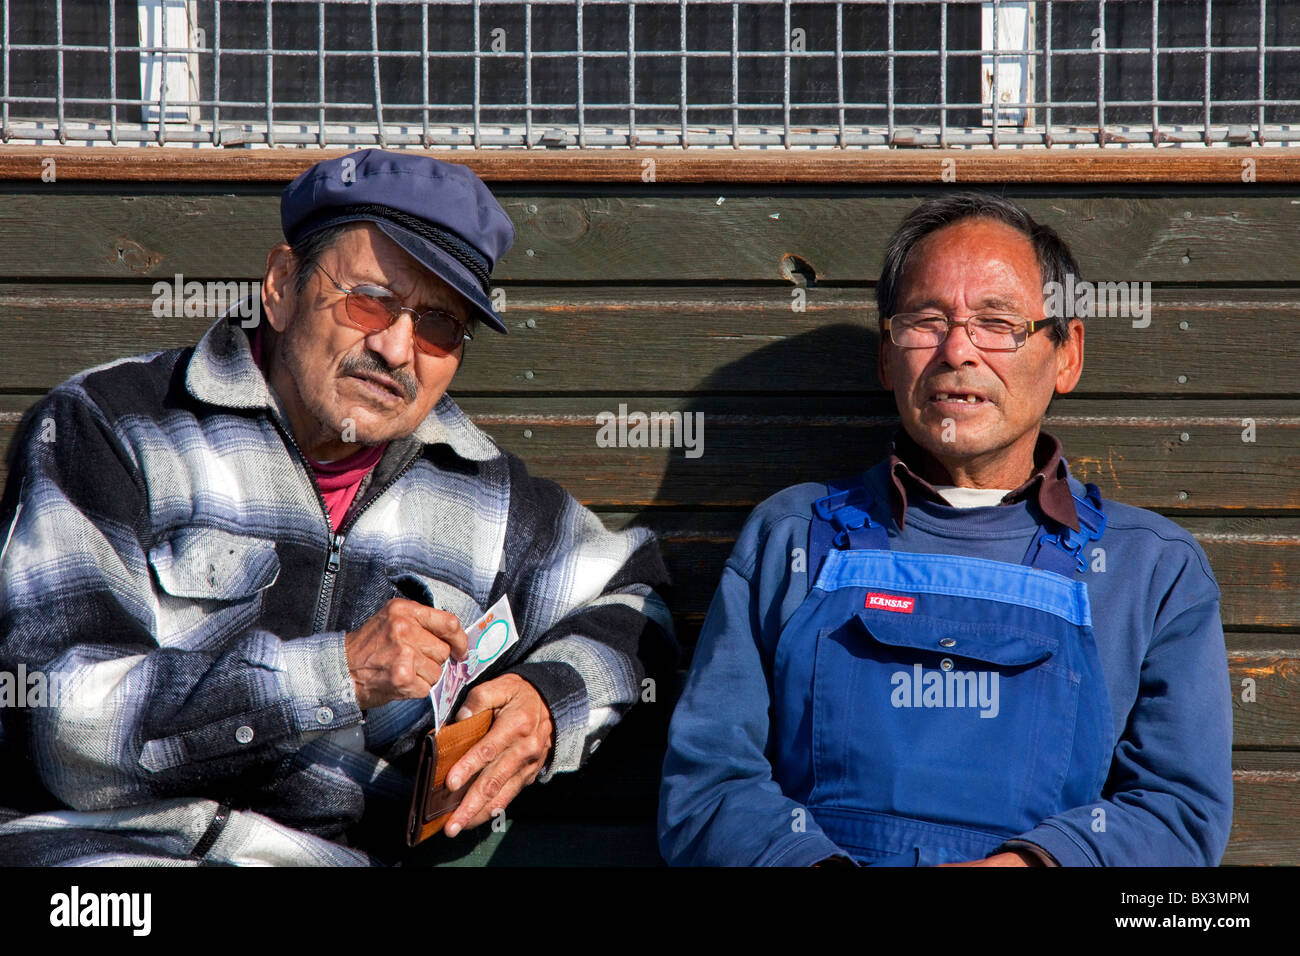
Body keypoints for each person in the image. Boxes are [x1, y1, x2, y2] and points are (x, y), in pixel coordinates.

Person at [0, 148, 675, 865]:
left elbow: (637, 605)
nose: (396, 348)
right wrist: (336, 676)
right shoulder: (115, 427)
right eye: (370, 300)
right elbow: (61, 724)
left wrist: (545, 701)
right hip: (105, 856)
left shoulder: (488, 493)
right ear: (283, 284)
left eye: (439, 324)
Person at [658, 192, 1232, 867]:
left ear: (1066, 354)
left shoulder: (1151, 572)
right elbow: (706, 788)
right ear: (885, 356)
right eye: (925, 321)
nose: (957, 350)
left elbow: (1179, 813)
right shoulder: (793, 539)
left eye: (997, 322)